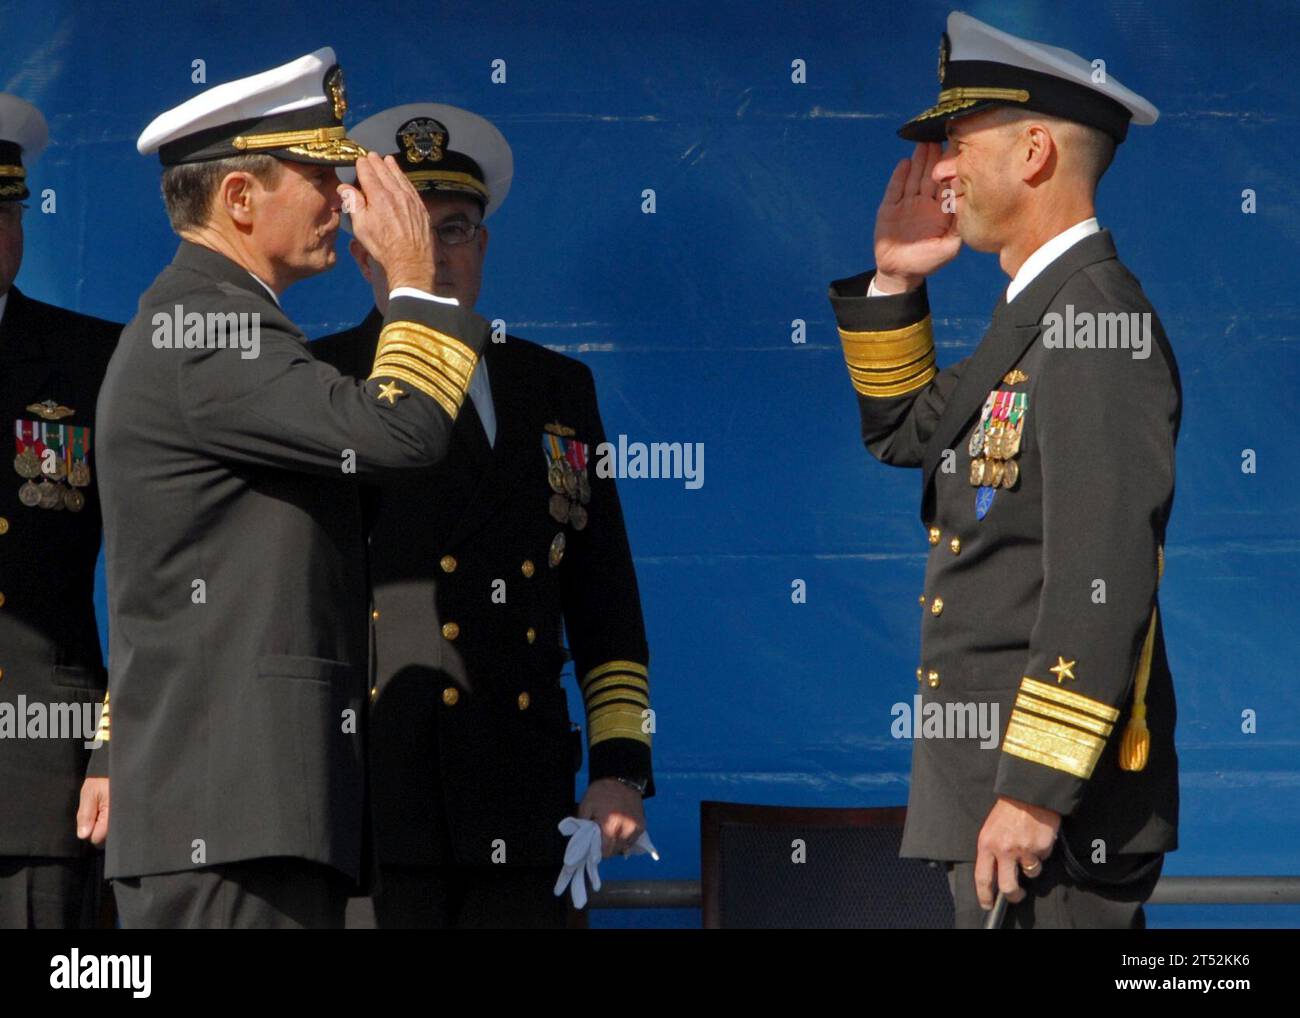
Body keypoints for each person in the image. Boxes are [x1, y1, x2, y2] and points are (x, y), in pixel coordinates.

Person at [84, 50, 492, 928]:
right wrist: (415, 278)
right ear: (237, 199)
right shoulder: (209, 334)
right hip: (225, 817)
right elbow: (404, 431)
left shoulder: (229, 327)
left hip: (246, 816)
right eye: (318, 173)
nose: (342, 199)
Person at [829, 12, 1180, 928]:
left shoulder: (1095, 321)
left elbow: (1102, 577)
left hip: (1046, 817)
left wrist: (1033, 790)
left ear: (1033, 154)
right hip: (993, 796)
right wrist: (898, 283)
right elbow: (908, 432)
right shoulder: (1035, 312)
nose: (941, 170)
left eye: (958, 142)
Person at [314, 104, 653, 928]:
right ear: (364, 252)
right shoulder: (317, 378)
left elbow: (604, 599)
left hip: (526, 801)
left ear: (485, 246)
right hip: (377, 811)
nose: (436, 255)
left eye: (457, 229)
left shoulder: (555, 389)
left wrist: (620, 767)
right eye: (410, 230)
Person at [0, 94, 120, 928]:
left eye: (4, 210)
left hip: (44, 775)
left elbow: (163, 572)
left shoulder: (94, 361)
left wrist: (116, 745)